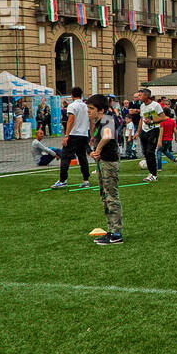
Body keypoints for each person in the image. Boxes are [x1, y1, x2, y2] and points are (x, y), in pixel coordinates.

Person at [86, 94, 124, 245]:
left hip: (109, 162)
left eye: (91, 108)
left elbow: (107, 137)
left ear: (101, 109)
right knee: (105, 196)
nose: (88, 111)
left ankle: (116, 233)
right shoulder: (99, 121)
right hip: (102, 162)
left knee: (111, 196)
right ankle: (111, 230)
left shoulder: (108, 119)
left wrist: (98, 150)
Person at [51, 87, 92, 190]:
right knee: (82, 158)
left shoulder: (72, 106)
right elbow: (92, 122)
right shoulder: (87, 107)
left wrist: (66, 135)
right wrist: (91, 135)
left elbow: (71, 120)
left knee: (65, 157)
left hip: (74, 135)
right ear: (81, 95)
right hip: (84, 135)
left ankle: (62, 180)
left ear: (72, 95)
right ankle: (86, 180)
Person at [135, 89, 165, 182]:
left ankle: (154, 174)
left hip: (153, 130)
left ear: (146, 96)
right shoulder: (142, 106)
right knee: (145, 152)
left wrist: (152, 121)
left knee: (150, 152)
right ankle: (150, 173)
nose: (139, 97)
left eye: (140, 95)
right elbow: (141, 119)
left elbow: (163, 117)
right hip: (144, 130)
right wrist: (138, 132)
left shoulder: (156, 105)